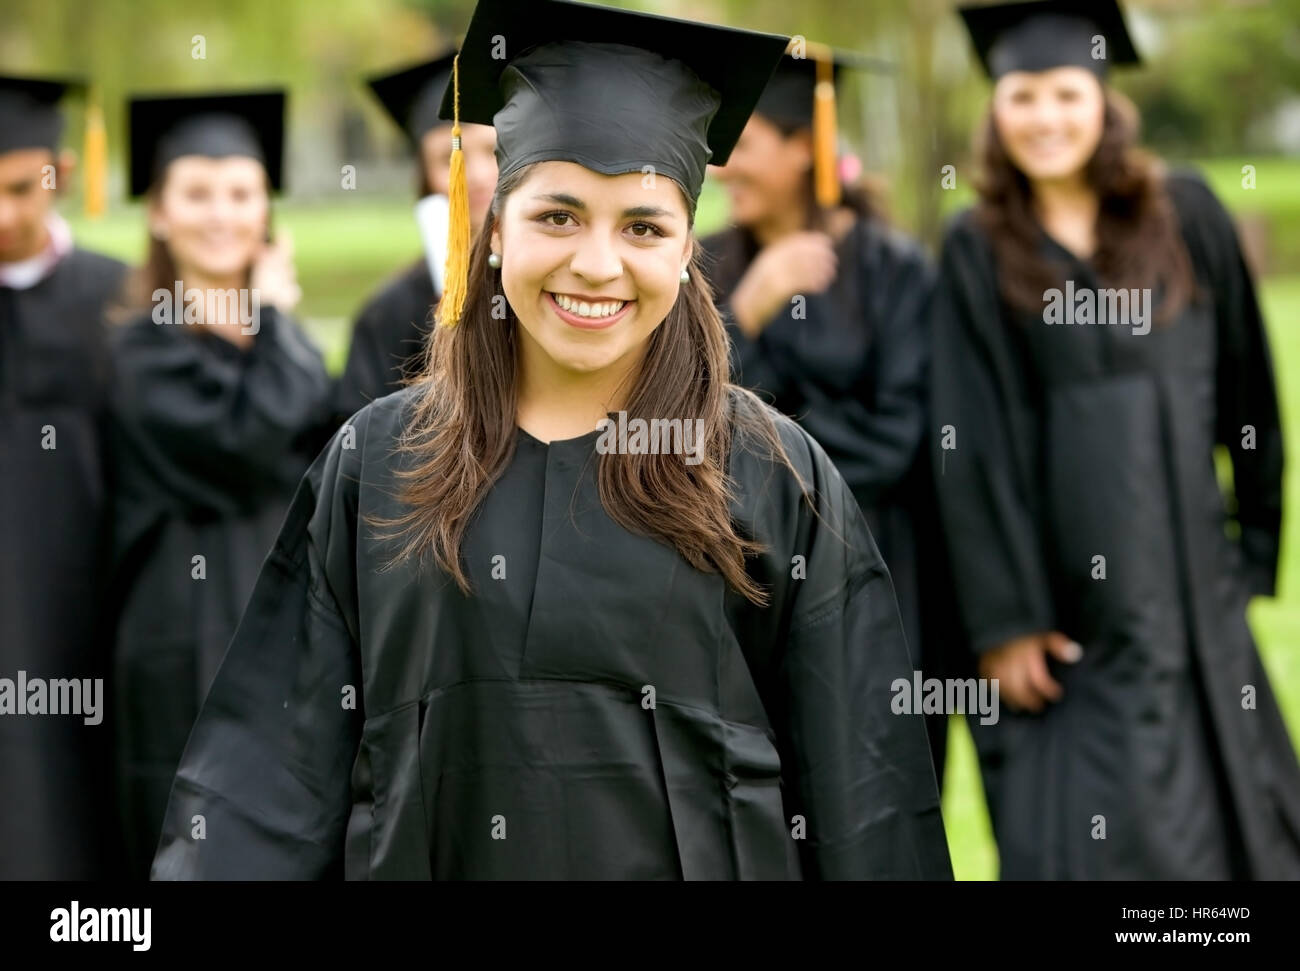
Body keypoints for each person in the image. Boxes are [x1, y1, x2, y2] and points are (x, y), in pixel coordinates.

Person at [151, 0, 952, 881]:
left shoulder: (771, 475)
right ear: (494, 231)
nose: (598, 264)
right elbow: (264, 785)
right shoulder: (380, 464)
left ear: (688, 248)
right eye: (558, 216)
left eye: (643, 226)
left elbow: (865, 806)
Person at [934, 0, 1300, 879]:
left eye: (1065, 92)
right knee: (1111, 820)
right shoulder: (978, 246)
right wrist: (1007, 619)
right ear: (996, 110)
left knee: (1236, 801)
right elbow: (969, 437)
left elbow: (1249, 382)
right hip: (1069, 600)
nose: (1045, 118)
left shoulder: (1187, 212)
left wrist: (1255, 538)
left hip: (1190, 571)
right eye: (1021, 96)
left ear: (1103, 99)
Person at [703, 45, 957, 777]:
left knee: (876, 778)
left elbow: (899, 437)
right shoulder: (707, 269)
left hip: (882, 565)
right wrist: (744, 313)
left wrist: (778, 461)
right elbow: (686, 420)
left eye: (744, 145)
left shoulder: (894, 269)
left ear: (803, 147)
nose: (723, 166)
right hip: (743, 568)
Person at [108, 90, 334, 878]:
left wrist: (273, 325)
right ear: (160, 213)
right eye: (196, 194)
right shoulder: (138, 351)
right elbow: (243, 444)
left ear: (265, 208)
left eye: (241, 193)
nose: (221, 214)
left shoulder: (286, 341)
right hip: (183, 637)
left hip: (288, 629)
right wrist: (272, 315)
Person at [0, 74, 125, 879]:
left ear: (61, 177)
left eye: (19, 188)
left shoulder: (121, 299)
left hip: (98, 603)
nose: (2, 215)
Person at [336, 52, 498, 418]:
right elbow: (360, 445)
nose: (475, 175)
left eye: (494, 150)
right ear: (424, 178)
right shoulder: (389, 313)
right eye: (449, 159)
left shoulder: (556, 287)